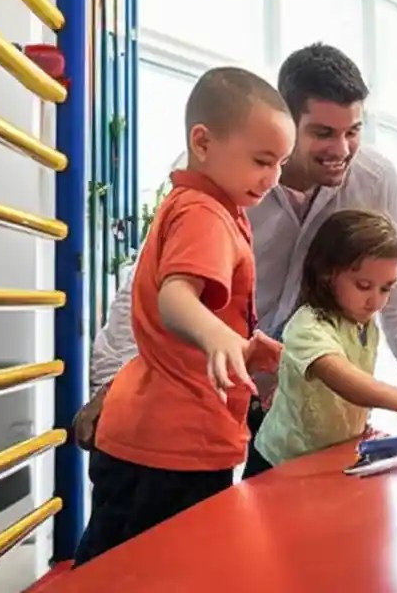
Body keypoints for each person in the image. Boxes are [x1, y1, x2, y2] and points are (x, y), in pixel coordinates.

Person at [77, 43, 397, 451]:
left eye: (353, 131)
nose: (342, 150)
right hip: (204, 385)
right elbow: (150, 283)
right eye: (323, 133)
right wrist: (110, 384)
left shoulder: (374, 179)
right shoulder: (219, 175)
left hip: (290, 393)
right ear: (287, 125)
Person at [72, 67, 293, 567]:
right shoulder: (206, 214)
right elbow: (176, 299)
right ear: (203, 141)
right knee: (157, 569)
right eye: (262, 160)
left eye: (280, 163)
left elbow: (196, 314)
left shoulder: (197, 203)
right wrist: (216, 333)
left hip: (153, 432)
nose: (273, 177)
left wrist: (245, 344)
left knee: (117, 563)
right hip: (172, 443)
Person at [244, 210, 397, 478]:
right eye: (363, 285)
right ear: (327, 274)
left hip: (331, 456)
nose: (376, 301)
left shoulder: (365, 323)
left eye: (386, 289)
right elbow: (343, 378)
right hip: (281, 462)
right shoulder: (307, 326)